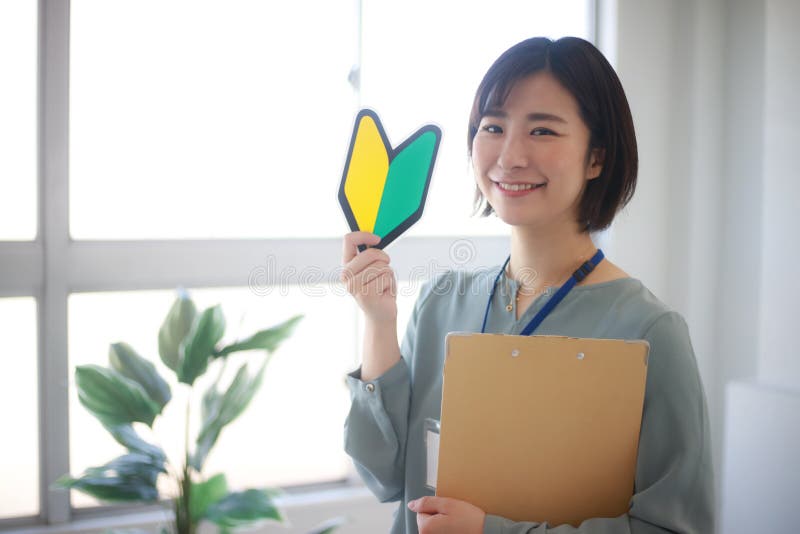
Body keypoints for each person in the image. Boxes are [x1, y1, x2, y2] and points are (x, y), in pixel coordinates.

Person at [340, 36, 714, 534]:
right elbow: (386, 477)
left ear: (597, 157)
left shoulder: (649, 331)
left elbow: (672, 527)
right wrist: (377, 324)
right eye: (493, 127)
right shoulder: (441, 302)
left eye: (542, 130)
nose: (510, 156)